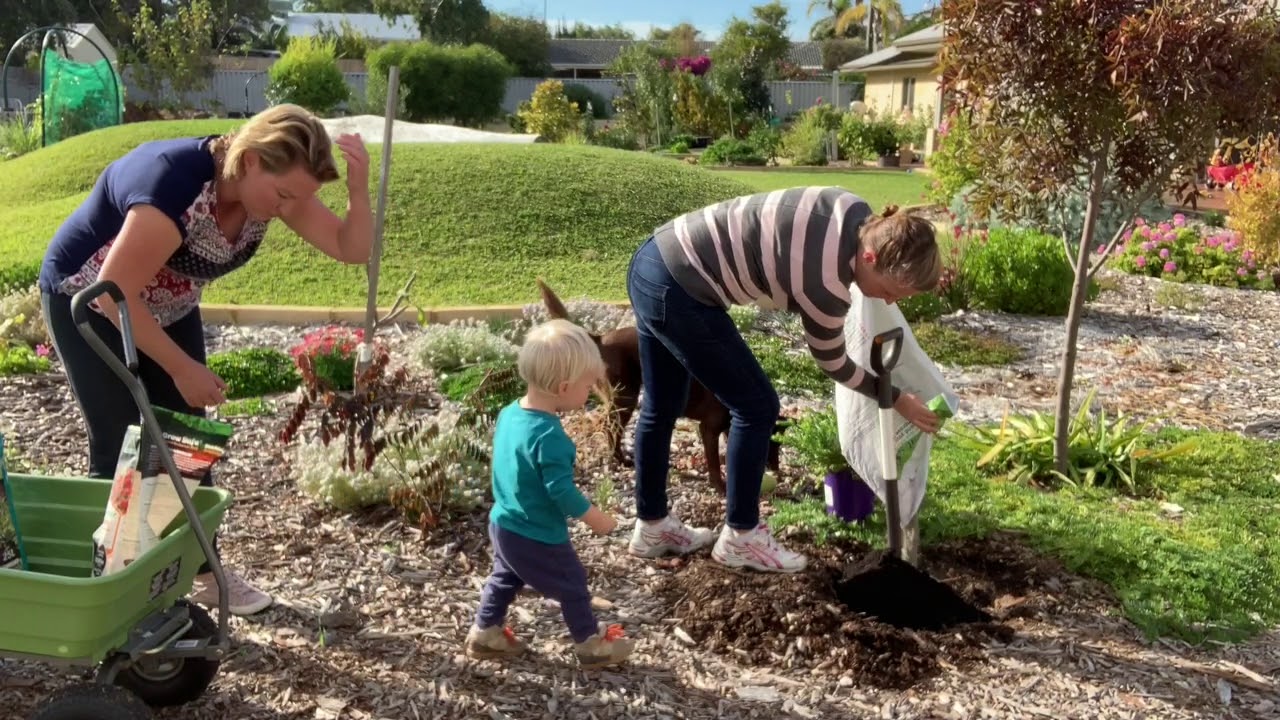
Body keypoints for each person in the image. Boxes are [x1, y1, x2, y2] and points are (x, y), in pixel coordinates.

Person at [38, 104, 374, 616]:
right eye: (284, 194)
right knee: (121, 440)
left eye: (297, 198)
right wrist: (180, 367)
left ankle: (200, 571)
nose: (287, 208)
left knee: (186, 438)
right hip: (88, 298)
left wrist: (358, 190)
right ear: (252, 159)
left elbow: (350, 249)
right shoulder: (175, 184)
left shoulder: (272, 192)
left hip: (165, 304)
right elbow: (113, 293)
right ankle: (106, 588)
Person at [624, 188, 944, 574]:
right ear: (869, 257)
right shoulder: (826, 284)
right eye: (890, 292)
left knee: (662, 403)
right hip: (682, 289)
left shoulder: (852, 209)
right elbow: (834, 363)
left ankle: (652, 526)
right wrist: (894, 397)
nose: (889, 302)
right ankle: (741, 537)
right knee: (757, 406)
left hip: (653, 258)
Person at [465, 319, 636, 669]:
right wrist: (595, 518)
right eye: (588, 385)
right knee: (572, 584)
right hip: (538, 534)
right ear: (563, 387)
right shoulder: (550, 437)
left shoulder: (510, 413)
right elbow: (560, 491)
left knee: (505, 577)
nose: (591, 392)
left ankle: (485, 632)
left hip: (504, 523)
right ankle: (590, 644)